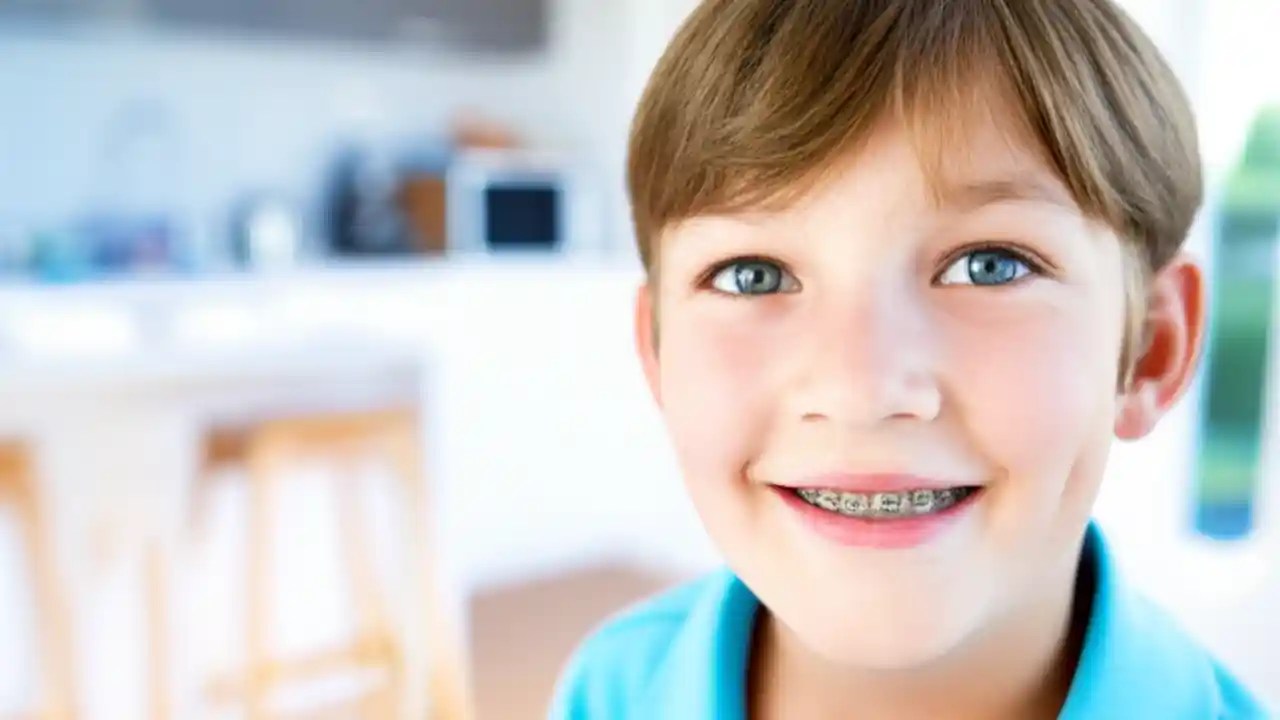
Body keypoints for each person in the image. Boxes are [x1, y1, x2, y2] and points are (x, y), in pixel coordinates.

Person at [550, 0, 1271, 717]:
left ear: (1149, 347)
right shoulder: (610, 690)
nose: (860, 389)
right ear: (658, 349)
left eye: (989, 265)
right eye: (753, 274)